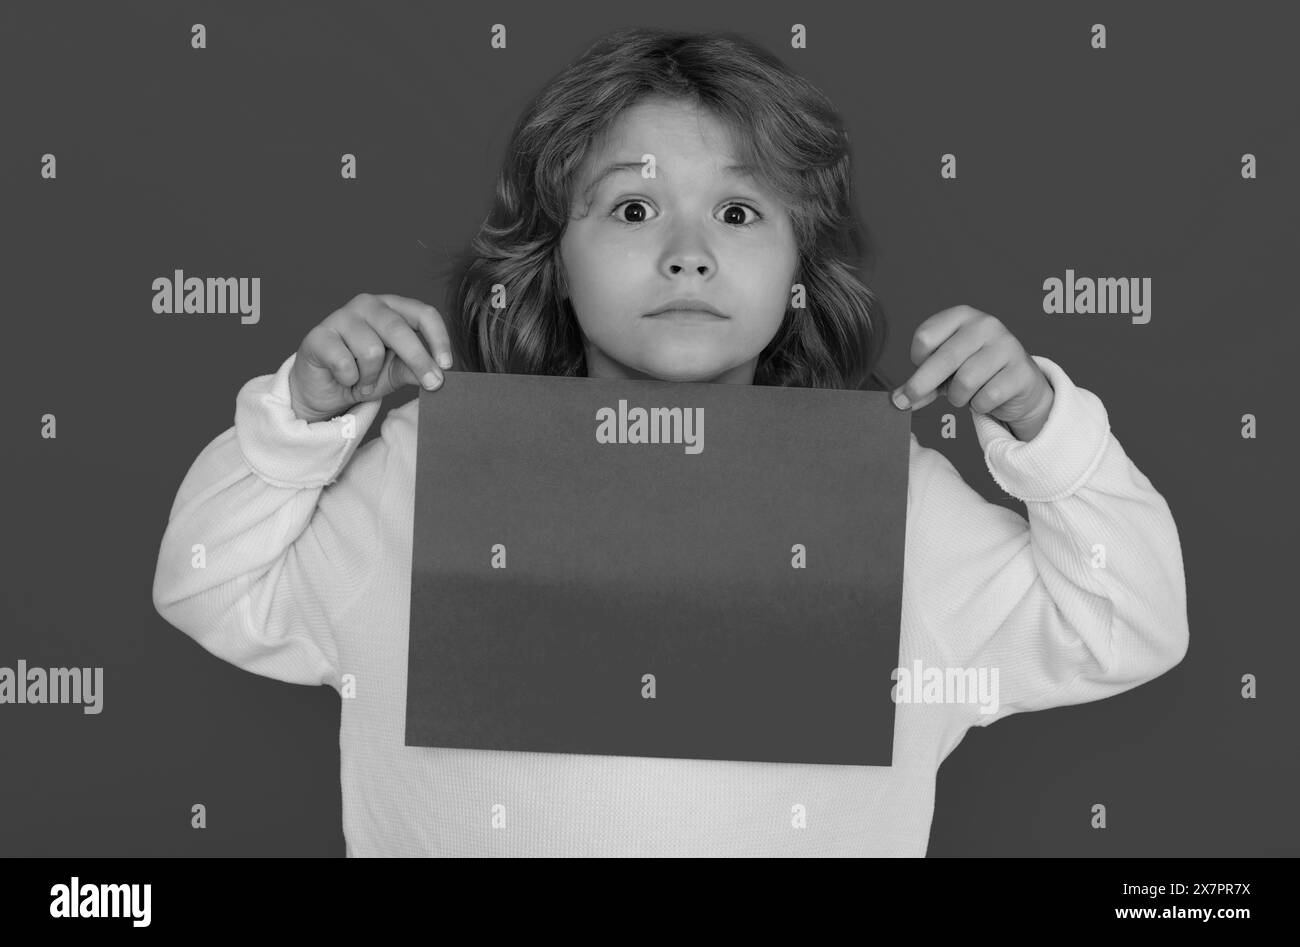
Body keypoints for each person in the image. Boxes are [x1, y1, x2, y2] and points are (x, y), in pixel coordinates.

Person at [151, 26, 1188, 856]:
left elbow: (1129, 625)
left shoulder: (895, 507)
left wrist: (1044, 429)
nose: (688, 254)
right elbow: (205, 583)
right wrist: (303, 418)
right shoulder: (430, 470)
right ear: (555, 260)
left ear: (797, 272)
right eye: (634, 206)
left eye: (739, 211)